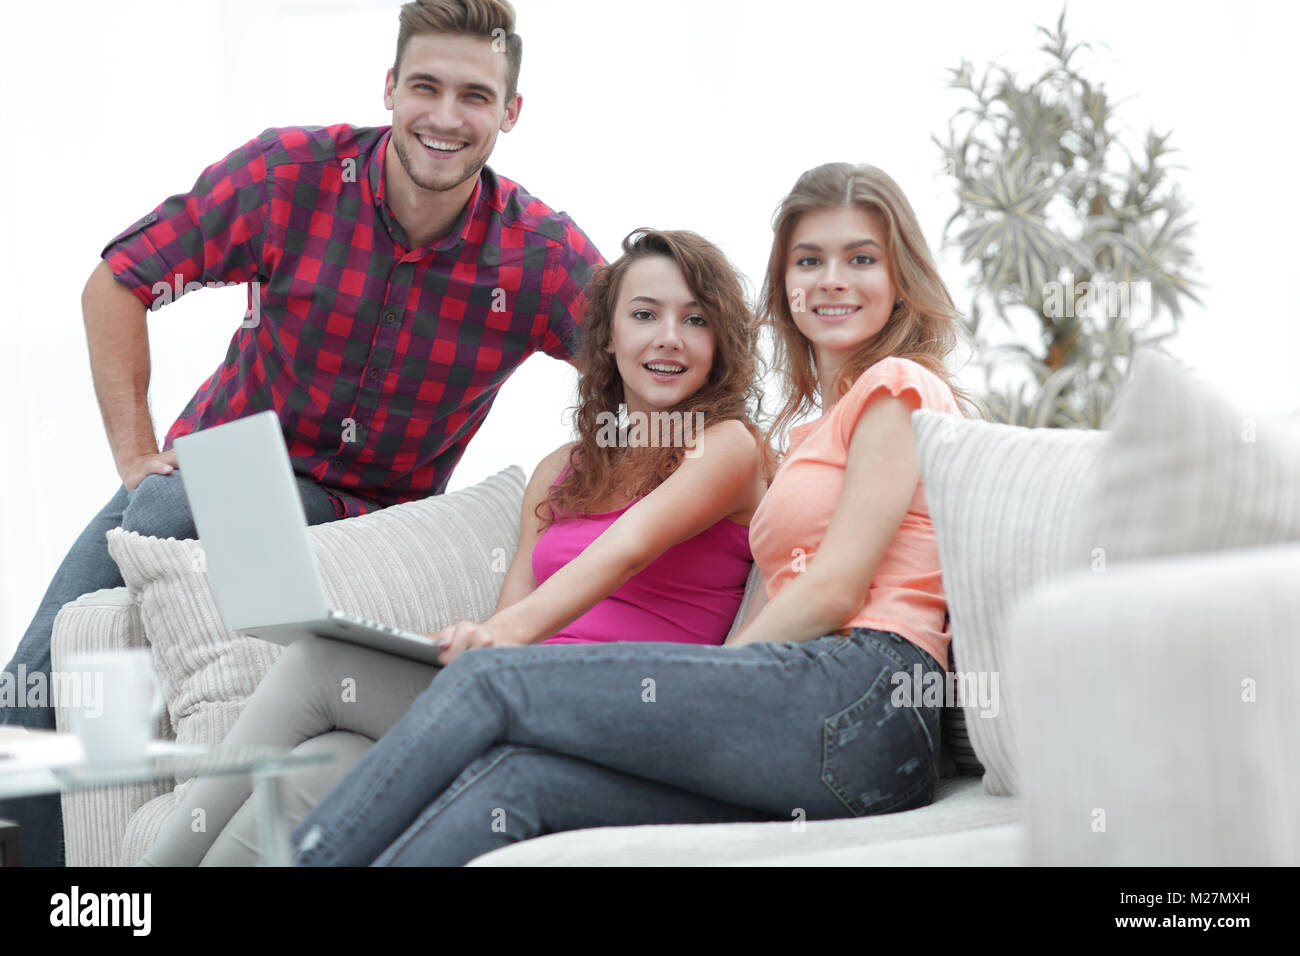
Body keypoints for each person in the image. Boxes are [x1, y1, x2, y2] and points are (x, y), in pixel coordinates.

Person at [0, 0, 606, 867]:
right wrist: (136, 455)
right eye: (425, 86)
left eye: (474, 96)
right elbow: (120, 282)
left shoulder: (538, 254)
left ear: (509, 113)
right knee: (61, 653)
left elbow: (648, 365)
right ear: (389, 87)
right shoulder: (290, 174)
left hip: (371, 523)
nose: (444, 116)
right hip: (225, 481)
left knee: (159, 554)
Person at [288, 161, 982, 867]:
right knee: (517, 784)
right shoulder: (807, 440)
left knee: (484, 678)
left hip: (867, 698)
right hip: (825, 736)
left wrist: (713, 683)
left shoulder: (897, 387)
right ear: (787, 287)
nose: (833, 278)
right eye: (811, 260)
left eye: (860, 259)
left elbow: (835, 588)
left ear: (900, 279)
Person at [138, 227, 769, 865]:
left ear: (719, 343)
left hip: (615, 712)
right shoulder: (561, 470)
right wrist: (475, 642)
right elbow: (511, 616)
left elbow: (629, 547)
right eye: (644, 314)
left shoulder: (726, 446)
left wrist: (494, 642)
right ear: (607, 336)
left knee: (317, 666)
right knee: (323, 766)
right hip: (512, 698)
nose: (669, 337)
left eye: (695, 319)